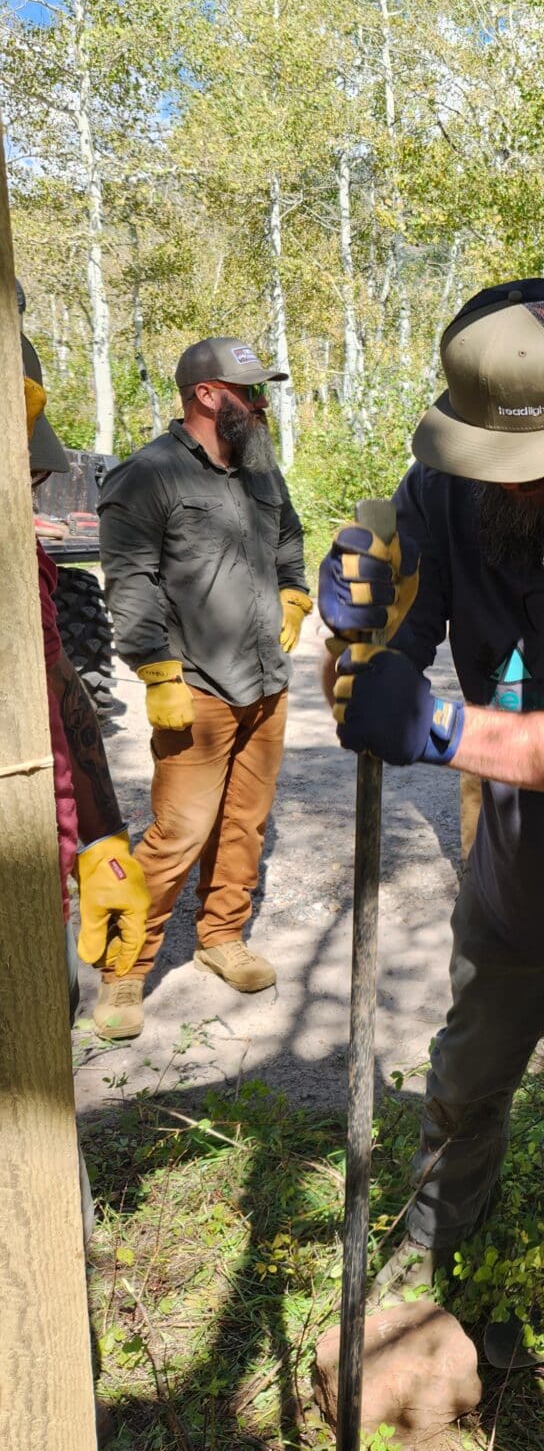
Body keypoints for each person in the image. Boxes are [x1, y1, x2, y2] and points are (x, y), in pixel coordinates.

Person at [317, 279, 544, 1451]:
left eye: (533, 466)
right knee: (463, 1084)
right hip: (516, 878)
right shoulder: (455, 487)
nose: (506, 489)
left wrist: (443, 721)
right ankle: (435, 1275)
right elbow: (376, 633)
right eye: (484, 466)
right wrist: (360, 635)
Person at [95, 338, 310, 1039]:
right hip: (195, 689)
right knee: (177, 834)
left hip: (265, 684)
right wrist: (156, 672)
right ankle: (123, 975)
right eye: (249, 391)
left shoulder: (258, 463)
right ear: (207, 395)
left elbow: (289, 536)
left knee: (245, 822)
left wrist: (293, 595)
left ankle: (221, 936)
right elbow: (131, 582)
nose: (260, 403)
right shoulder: (147, 476)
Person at [22, 323, 150, 1241]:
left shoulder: (24, 560)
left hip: (39, 872)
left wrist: (103, 838)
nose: (35, 486)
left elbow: (62, 682)